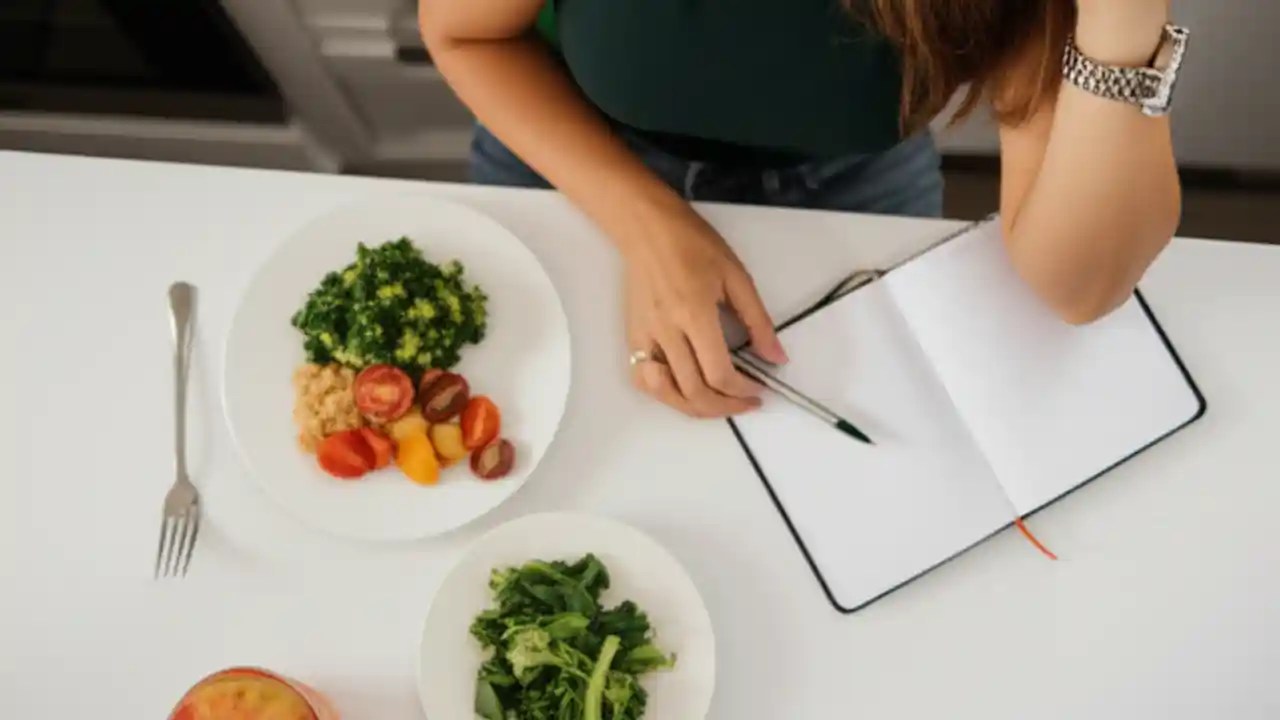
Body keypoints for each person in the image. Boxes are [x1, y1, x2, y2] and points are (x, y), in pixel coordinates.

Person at [420, 0, 1184, 419]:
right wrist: (648, 224)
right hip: (574, 141)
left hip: (849, 175)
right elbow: (464, 35)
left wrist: (1124, 20)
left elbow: (1078, 285)